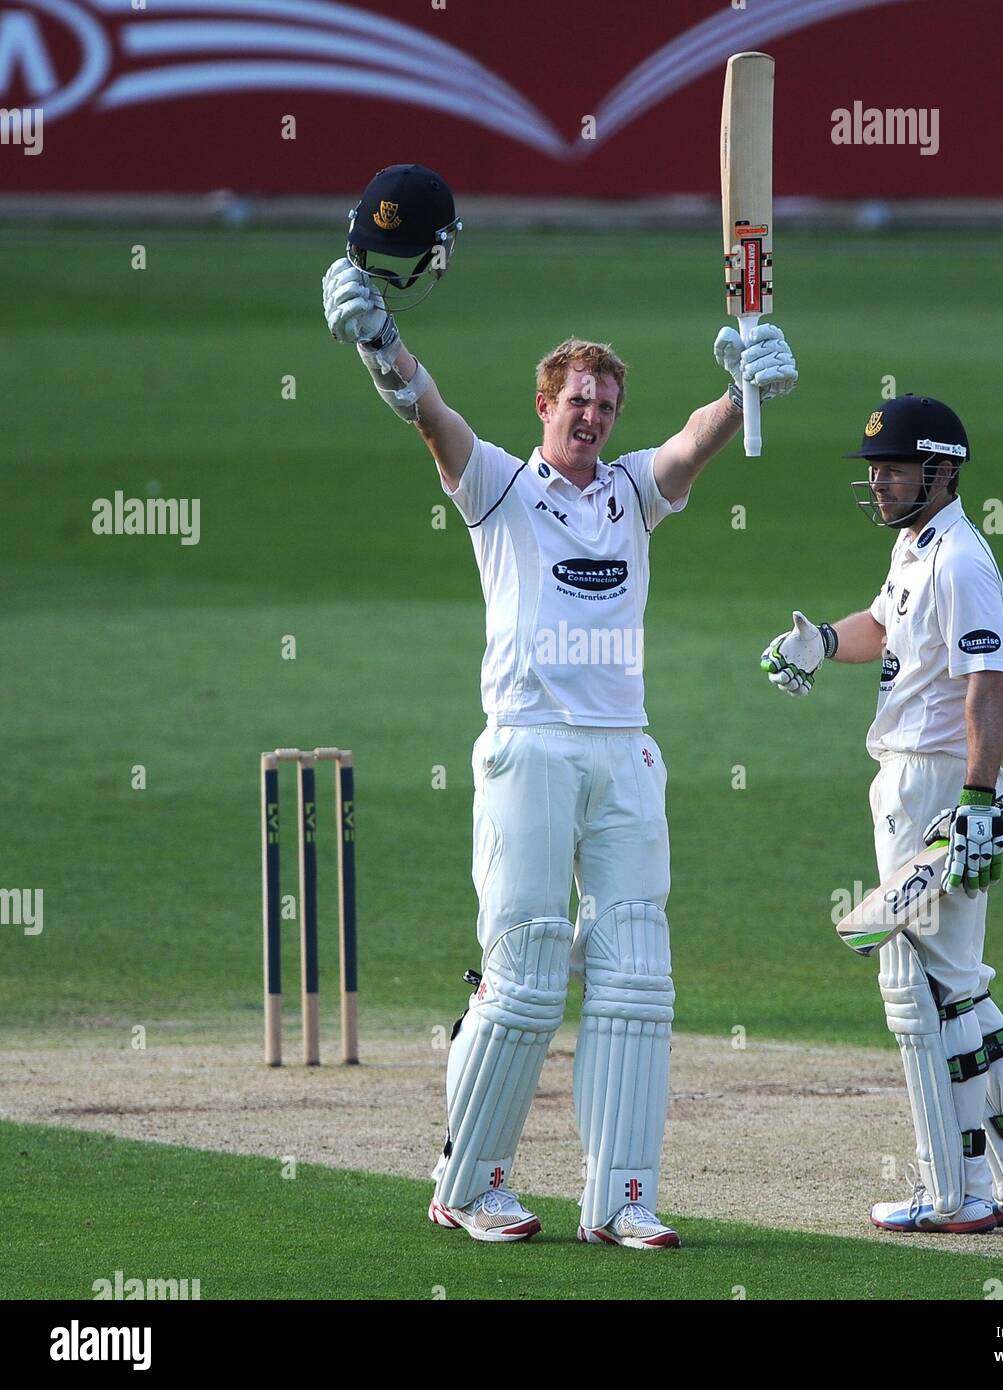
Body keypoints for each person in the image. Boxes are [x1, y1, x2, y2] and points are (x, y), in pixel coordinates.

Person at [321, 165, 798, 1248]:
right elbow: (425, 411)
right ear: (545, 406)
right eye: (576, 398)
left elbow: (690, 443)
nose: (593, 413)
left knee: (636, 975)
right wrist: (376, 343)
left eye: (606, 402)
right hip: (528, 750)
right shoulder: (498, 487)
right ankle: (470, 1180)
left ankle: (622, 1194)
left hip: (624, 755)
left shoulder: (632, 491)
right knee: (529, 964)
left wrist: (744, 391)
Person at [760, 394, 1003, 1233]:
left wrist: (972, 798)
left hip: (932, 783)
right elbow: (882, 628)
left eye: (893, 469)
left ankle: (952, 1193)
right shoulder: (914, 547)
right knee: (959, 988)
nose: (880, 482)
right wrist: (820, 641)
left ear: (941, 470)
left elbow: (986, 682)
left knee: (916, 990)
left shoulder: (962, 560)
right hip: (917, 780)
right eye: (875, 470)